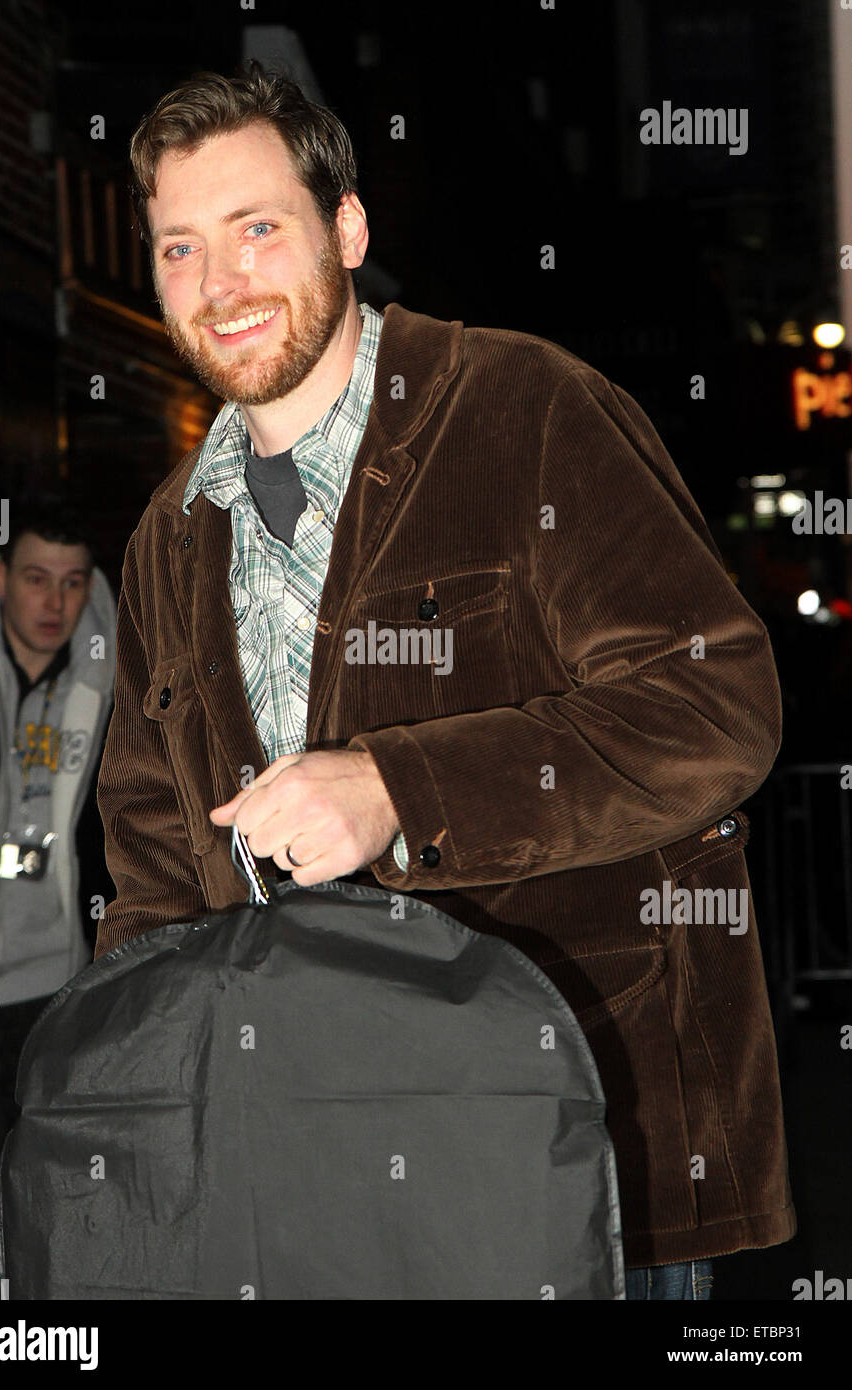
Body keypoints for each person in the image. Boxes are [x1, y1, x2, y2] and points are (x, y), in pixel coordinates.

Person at [95, 64, 795, 1298]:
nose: (222, 283)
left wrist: (398, 791)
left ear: (347, 231)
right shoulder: (168, 533)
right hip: (311, 1171)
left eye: (259, 228)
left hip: (566, 1150)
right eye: (179, 248)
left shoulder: (521, 407)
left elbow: (716, 705)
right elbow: (154, 866)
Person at [0, 502, 116, 1271]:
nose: (54, 602)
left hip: (54, 980)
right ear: (1, 578)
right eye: (37, 579)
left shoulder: (110, 683)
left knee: (24, 1189)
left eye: (73, 582)